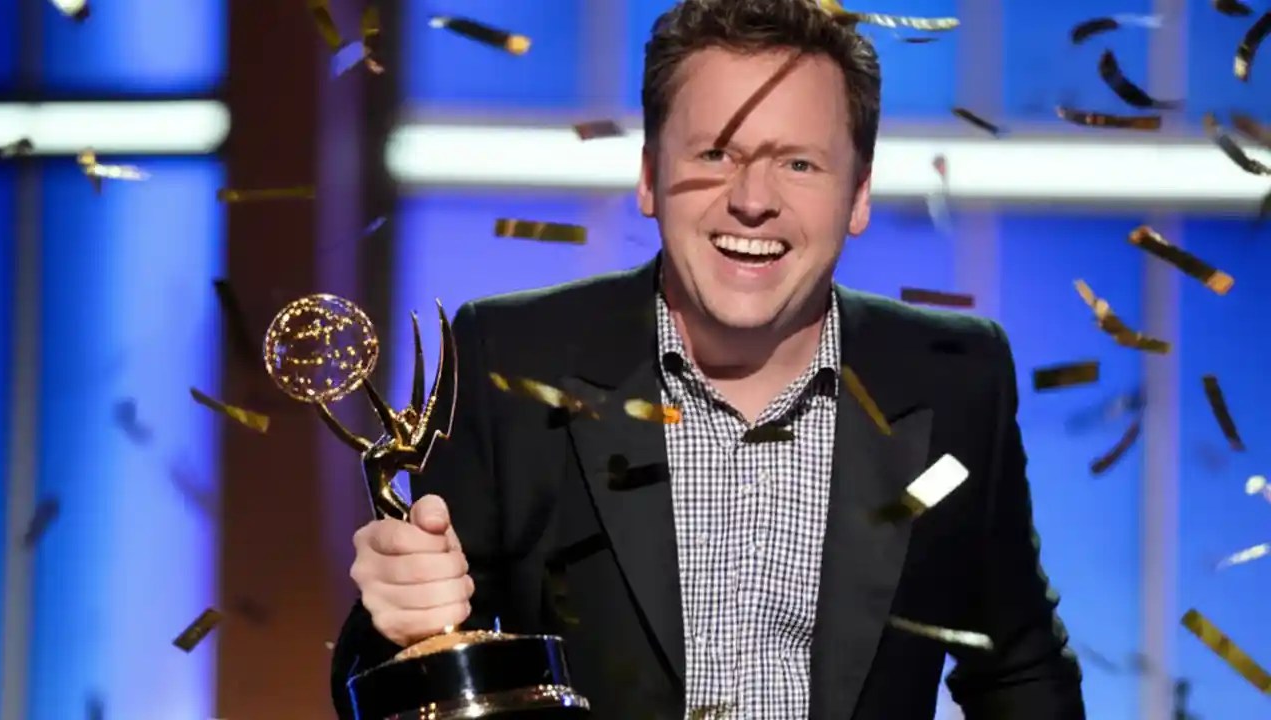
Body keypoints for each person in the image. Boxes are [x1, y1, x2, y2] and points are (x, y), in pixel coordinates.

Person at [331, 0, 1086, 717]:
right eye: (716, 152)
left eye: (799, 164)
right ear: (651, 176)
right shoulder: (512, 365)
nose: (751, 200)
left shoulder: (957, 376)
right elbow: (389, 675)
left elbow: (1018, 669)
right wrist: (395, 619)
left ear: (858, 192)